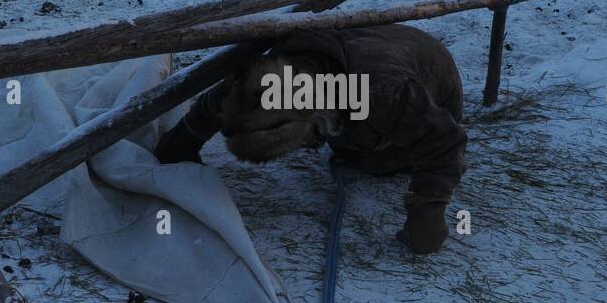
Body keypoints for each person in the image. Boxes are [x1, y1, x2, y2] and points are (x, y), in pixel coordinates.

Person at [154, 25, 467, 254]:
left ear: (317, 123)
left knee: (372, 161)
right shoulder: (270, 75)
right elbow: (221, 102)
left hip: (433, 84)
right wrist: (182, 143)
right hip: (377, 49)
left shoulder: (379, 94)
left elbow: (445, 140)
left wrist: (426, 217)